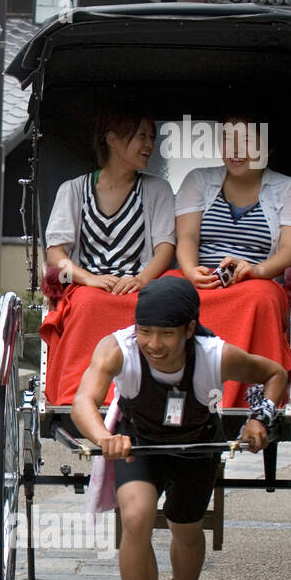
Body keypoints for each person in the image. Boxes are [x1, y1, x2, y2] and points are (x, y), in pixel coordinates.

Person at [72, 276, 287, 580]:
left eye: (167, 334)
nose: (154, 344)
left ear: (189, 329)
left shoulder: (214, 355)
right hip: (138, 442)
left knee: (185, 526)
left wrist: (260, 419)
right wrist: (104, 436)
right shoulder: (116, 350)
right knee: (135, 517)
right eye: (145, 332)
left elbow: (275, 374)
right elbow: (82, 402)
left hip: (198, 444)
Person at [40, 110, 176, 405]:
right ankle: (78, 394)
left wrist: (140, 279)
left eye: (152, 137)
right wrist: (90, 279)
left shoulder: (157, 189)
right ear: (112, 139)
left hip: (140, 282)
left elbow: (165, 248)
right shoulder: (74, 189)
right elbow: (55, 252)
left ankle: (143, 395)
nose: (149, 145)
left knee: (149, 308)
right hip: (87, 282)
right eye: (141, 136)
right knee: (89, 303)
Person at [172, 115, 291, 405]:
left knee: (260, 299)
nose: (235, 151)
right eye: (228, 141)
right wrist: (190, 270)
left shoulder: (288, 189)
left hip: (257, 278)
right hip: (202, 275)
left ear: (268, 149)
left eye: (246, 142)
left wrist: (255, 270)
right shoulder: (199, 180)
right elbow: (187, 238)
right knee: (161, 294)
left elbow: (289, 250)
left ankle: (250, 396)